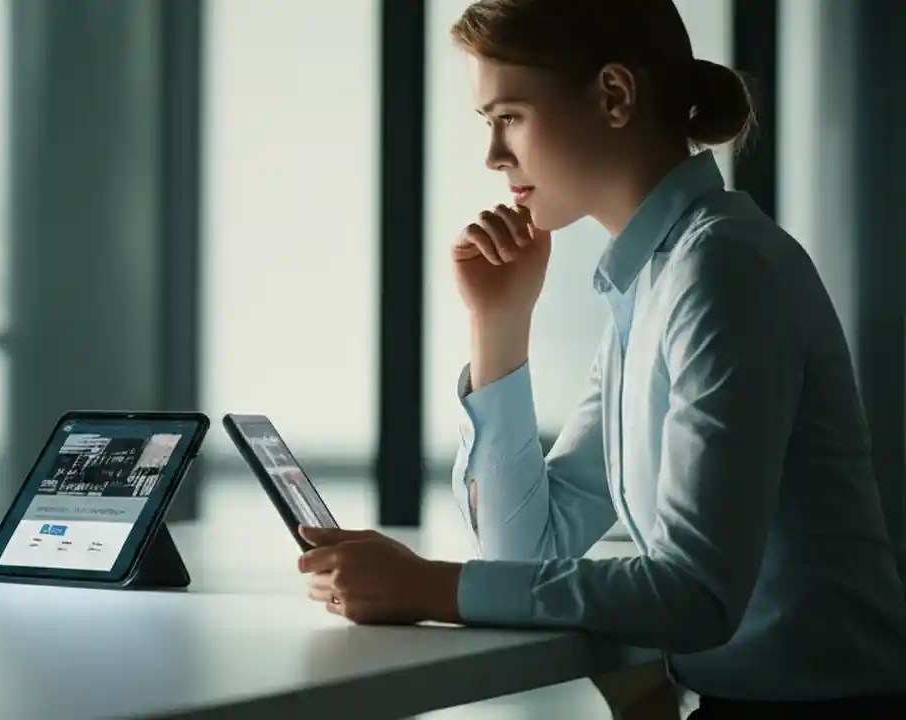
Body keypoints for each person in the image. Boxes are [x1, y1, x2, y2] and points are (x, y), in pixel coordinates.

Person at [296, 0, 906, 716]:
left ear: (615, 96)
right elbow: (525, 551)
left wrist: (430, 587)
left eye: (510, 115)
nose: (493, 155)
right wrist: (498, 324)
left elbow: (695, 596)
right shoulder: (652, 280)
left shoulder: (721, 270)